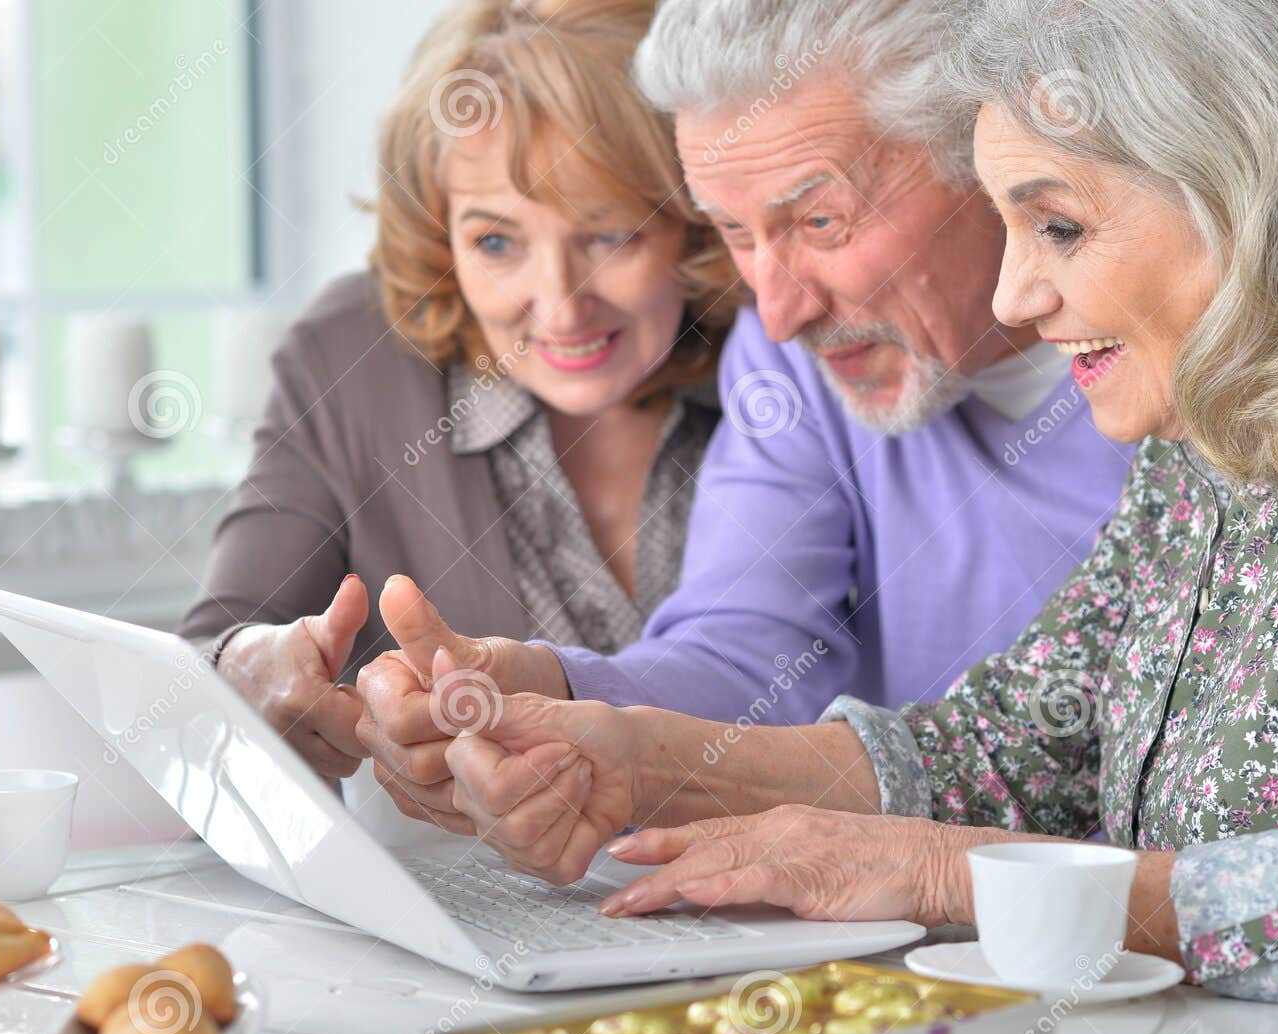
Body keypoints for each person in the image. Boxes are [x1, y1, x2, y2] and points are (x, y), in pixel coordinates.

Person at [439, 0, 1278, 1034]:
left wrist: (945, 873)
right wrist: (624, 757)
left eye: (1058, 227)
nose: (1015, 292)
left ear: (1248, 191)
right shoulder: (1207, 437)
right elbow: (1023, 743)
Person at [354, 0, 1132, 828]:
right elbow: (745, 653)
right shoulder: (789, 361)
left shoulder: (1171, 361)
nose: (779, 312)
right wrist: (551, 692)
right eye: (732, 230)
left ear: (987, 152)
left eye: (820, 221)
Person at [178, 0, 739, 790]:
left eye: (611, 233)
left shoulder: (785, 363)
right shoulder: (353, 357)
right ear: (441, 233)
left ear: (698, 219)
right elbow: (202, 659)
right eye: (496, 241)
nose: (561, 307)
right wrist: (247, 669)